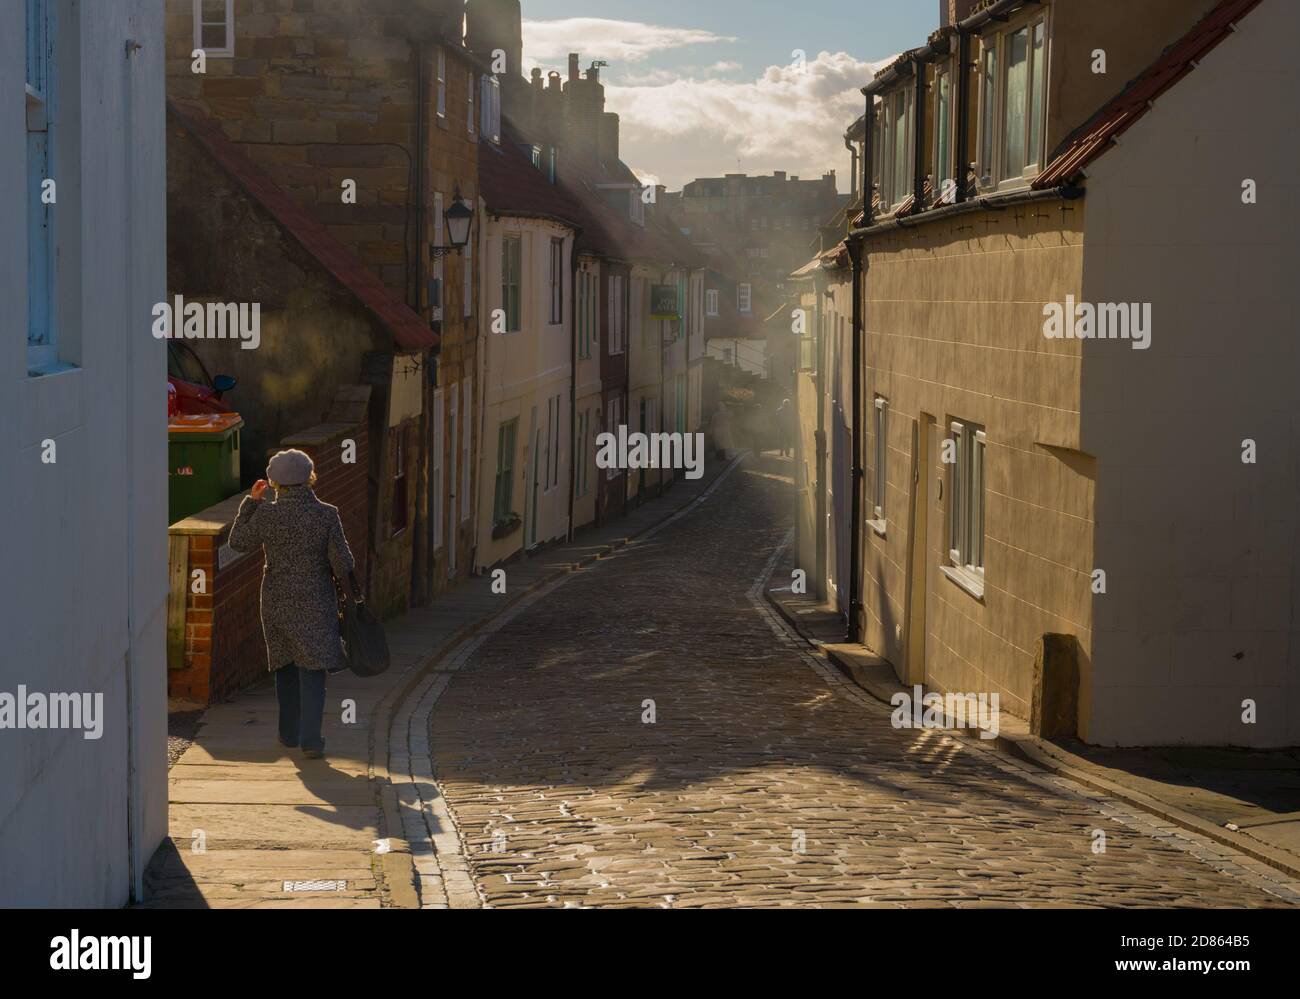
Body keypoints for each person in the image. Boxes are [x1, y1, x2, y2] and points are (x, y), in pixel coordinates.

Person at [228, 449, 361, 760]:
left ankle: (289, 733)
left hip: (275, 600)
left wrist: (251, 503)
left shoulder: (267, 515)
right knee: (313, 669)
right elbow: (344, 561)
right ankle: (312, 741)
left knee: (284, 665)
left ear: (275, 482)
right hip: (315, 600)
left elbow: (236, 541)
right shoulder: (327, 515)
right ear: (309, 477)